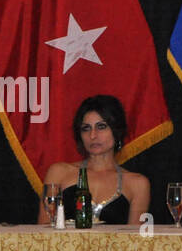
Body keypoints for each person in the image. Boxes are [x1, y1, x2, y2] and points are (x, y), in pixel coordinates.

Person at [40, 95, 150, 225]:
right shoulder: (59, 173)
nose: (92, 135)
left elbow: (136, 242)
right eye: (86, 128)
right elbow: (42, 235)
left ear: (117, 130)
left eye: (101, 127)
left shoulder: (137, 184)